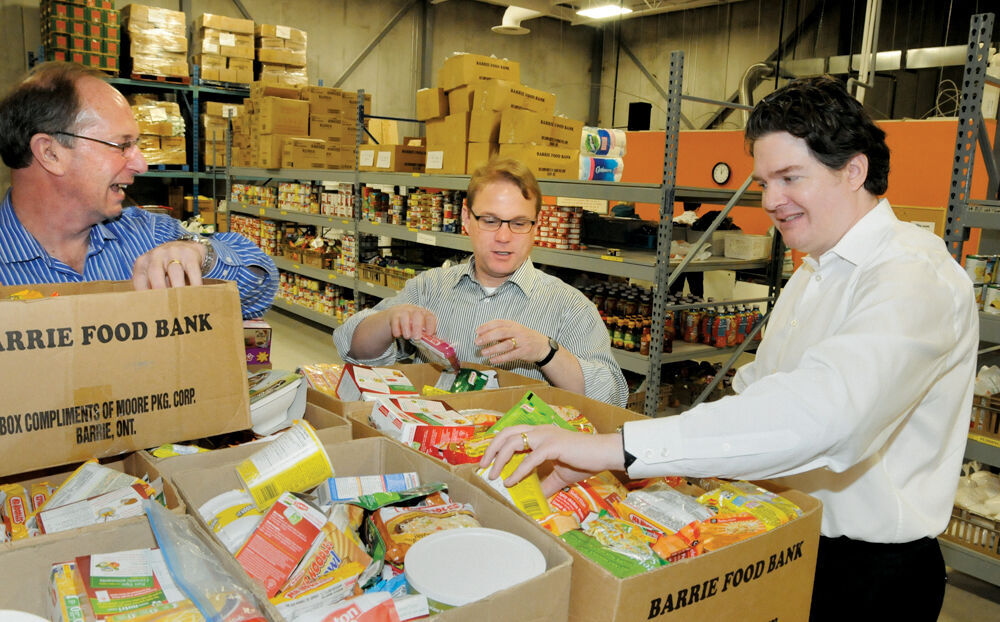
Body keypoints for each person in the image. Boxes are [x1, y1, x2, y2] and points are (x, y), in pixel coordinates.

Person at [480, 76, 977, 621]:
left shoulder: (913, 275)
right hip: (782, 535)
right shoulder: (814, 271)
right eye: (764, 182)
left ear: (853, 170)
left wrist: (615, 448)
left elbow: (827, 417)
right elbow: (756, 394)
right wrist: (641, 471)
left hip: (868, 575)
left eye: (790, 178)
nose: (770, 201)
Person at [333, 158, 628, 407]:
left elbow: (612, 398)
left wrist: (546, 351)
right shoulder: (429, 288)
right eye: (489, 220)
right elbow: (352, 349)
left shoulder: (570, 308)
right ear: (466, 218)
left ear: (535, 227)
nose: (503, 236)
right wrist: (388, 321)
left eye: (519, 223)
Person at [0, 62, 277, 318]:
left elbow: (261, 287)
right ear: (49, 153)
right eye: (122, 145)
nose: (141, 164)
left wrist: (201, 256)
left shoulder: (148, 236)